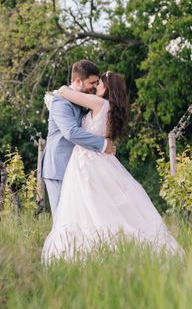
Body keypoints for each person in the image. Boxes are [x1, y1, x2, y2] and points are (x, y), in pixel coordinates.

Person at [42, 70, 183, 262]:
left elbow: (66, 93)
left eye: (98, 83)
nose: (94, 86)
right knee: (99, 206)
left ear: (107, 88)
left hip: (86, 162)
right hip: (97, 161)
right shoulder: (109, 108)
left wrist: (59, 92)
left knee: (86, 208)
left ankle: (78, 251)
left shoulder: (99, 103)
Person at [41, 59, 116, 215]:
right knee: (63, 217)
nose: (94, 87)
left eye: (97, 83)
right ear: (77, 81)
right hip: (59, 166)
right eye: (92, 83)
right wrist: (102, 144)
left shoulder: (80, 99)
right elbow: (71, 132)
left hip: (77, 167)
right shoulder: (61, 102)